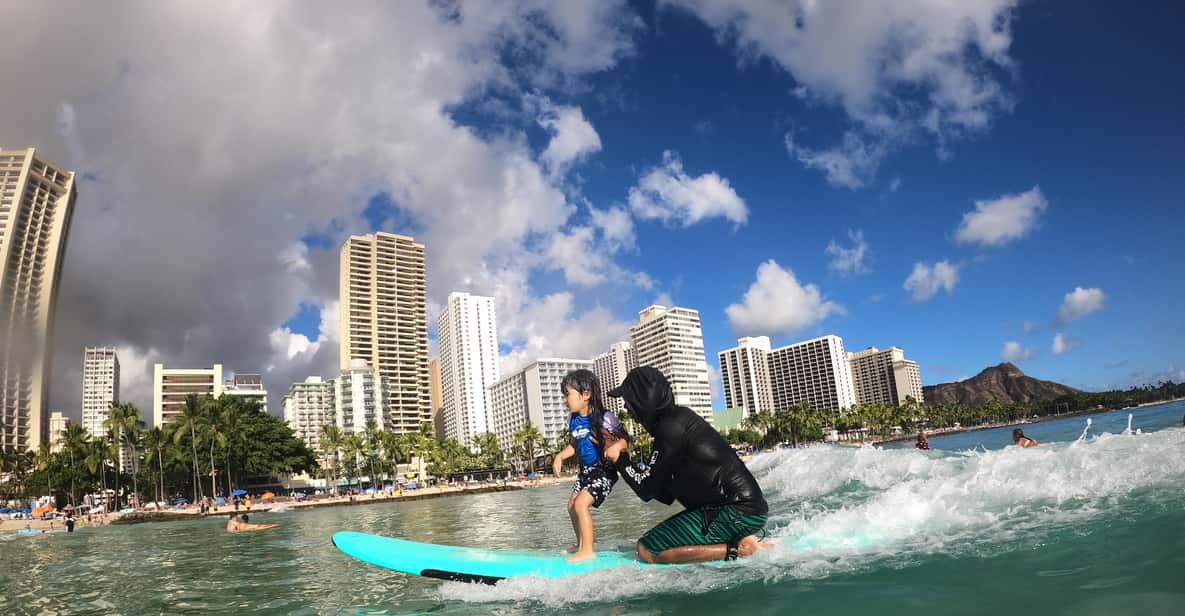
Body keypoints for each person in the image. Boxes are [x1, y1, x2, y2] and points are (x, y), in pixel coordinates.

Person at [607, 367, 771, 564]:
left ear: (643, 399)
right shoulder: (675, 421)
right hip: (745, 510)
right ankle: (739, 537)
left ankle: (737, 549)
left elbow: (646, 489)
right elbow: (662, 492)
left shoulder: (670, 427)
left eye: (628, 400)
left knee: (647, 548)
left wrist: (620, 459)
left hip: (738, 512)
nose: (626, 407)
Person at [551, 369, 630, 562]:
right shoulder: (573, 419)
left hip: (604, 471)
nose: (565, 400)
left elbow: (626, 439)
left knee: (581, 504)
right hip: (586, 472)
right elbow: (575, 444)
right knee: (571, 506)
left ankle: (587, 551)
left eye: (567, 394)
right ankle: (581, 545)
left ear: (586, 395)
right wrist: (560, 456)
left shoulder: (604, 417)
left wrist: (617, 446)